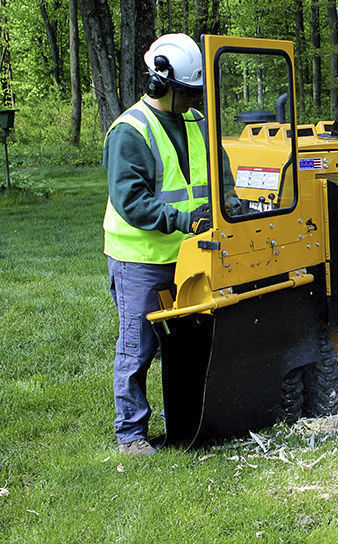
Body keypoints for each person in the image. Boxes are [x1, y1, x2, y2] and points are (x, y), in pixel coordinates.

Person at [103, 33, 213, 456]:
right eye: (186, 92)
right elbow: (132, 201)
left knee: (186, 341)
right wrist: (184, 220)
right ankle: (130, 434)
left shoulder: (197, 122)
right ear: (159, 83)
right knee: (138, 345)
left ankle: (183, 418)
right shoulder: (129, 132)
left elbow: (215, 178)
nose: (191, 99)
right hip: (141, 258)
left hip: (190, 255)